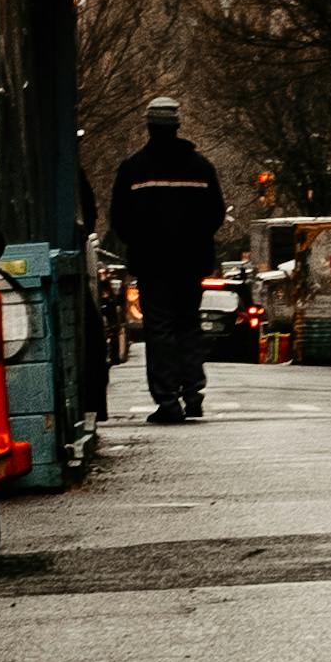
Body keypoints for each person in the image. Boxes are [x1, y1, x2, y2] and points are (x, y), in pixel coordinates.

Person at [106, 96, 227, 428]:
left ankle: (167, 400)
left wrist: (142, 242)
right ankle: (193, 395)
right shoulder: (201, 168)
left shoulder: (134, 169)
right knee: (188, 325)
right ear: (177, 125)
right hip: (191, 263)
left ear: (149, 126)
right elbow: (215, 213)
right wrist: (195, 238)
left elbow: (119, 217)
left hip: (152, 264)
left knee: (160, 330)